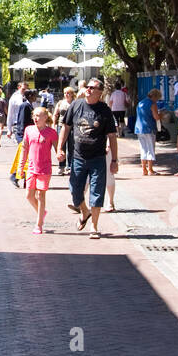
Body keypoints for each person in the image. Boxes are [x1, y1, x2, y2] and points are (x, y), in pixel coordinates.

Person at [58, 78, 118, 238]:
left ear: (100, 92)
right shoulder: (76, 105)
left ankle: (94, 227)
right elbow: (65, 127)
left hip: (98, 158)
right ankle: (85, 212)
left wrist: (114, 160)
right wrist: (59, 148)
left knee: (97, 193)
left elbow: (112, 136)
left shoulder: (104, 110)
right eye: (87, 87)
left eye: (92, 88)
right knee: (75, 190)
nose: (88, 90)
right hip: (78, 157)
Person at [22, 107, 59, 234]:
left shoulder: (51, 132)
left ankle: (39, 224)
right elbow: (24, 148)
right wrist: (21, 167)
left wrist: (60, 154)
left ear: (45, 117)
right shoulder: (28, 130)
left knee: (41, 195)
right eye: (34, 115)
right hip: (31, 168)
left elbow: (57, 149)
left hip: (44, 168)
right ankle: (41, 212)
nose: (36, 118)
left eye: (38, 115)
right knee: (29, 196)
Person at [136, 89, 163, 176]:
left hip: (139, 128)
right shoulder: (152, 104)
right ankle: (150, 169)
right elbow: (156, 117)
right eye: (157, 98)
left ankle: (144, 169)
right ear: (155, 97)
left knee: (143, 148)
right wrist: (161, 115)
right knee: (150, 148)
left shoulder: (140, 103)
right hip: (149, 128)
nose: (157, 100)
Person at [53, 86, 76, 174]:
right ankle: (61, 166)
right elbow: (55, 114)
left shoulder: (75, 103)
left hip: (72, 127)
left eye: (68, 93)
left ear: (72, 94)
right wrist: (54, 124)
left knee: (71, 146)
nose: (66, 95)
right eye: (65, 93)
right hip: (61, 126)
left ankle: (70, 166)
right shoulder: (60, 103)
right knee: (61, 145)